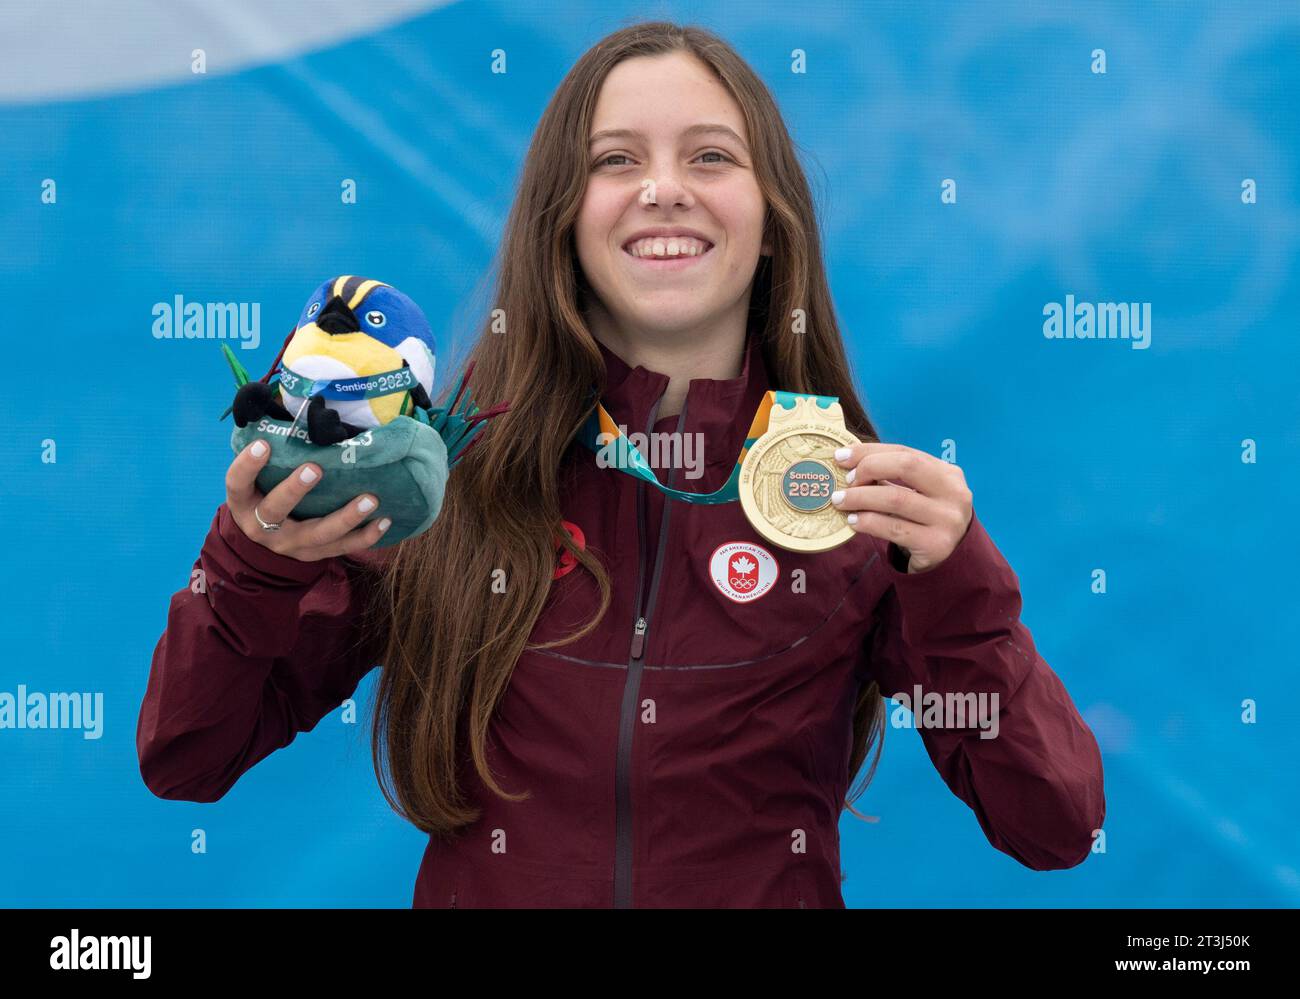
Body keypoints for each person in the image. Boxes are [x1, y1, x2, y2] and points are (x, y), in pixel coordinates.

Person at [137, 21, 1105, 909]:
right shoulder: (440, 476)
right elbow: (190, 755)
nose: (663, 188)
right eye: (616, 160)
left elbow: (1056, 825)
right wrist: (258, 561)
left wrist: (955, 584)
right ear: (563, 214)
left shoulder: (856, 504)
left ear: (773, 215)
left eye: (711, 156)